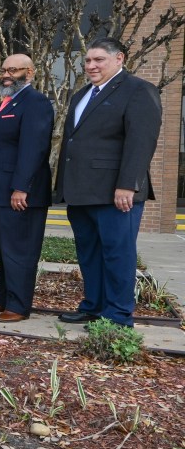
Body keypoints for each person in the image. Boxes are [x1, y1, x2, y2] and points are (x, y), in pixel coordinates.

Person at [54, 37, 162, 328]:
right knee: (89, 254)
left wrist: (128, 184)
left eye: (99, 60)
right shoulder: (81, 95)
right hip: (80, 191)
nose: (91, 65)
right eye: (88, 60)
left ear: (119, 58)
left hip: (116, 192)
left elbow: (141, 141)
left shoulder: (138, 90)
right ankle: (94, 306)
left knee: (117, 255)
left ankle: (117, 315)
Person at [0, 54, 54, 322]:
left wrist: (22, 187)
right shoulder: (6, 102)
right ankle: (4, 297)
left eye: (13, 70)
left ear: (30, 73)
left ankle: (18, 305)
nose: (6, 75)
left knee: (18, 251)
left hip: (18, 193)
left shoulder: (35, 102)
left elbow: (34, 148)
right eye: (3, 70)